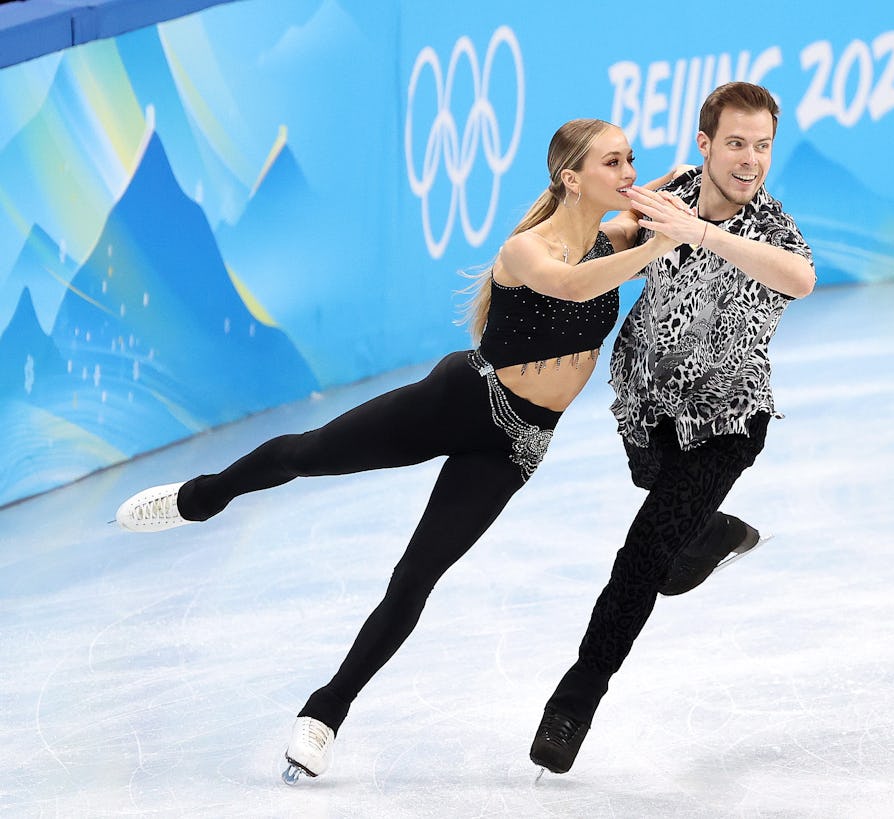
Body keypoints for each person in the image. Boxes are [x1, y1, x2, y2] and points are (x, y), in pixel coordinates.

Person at [113, 118, 694, 784]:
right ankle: (203, 496)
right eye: (613, 161)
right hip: (459, 401)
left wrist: (674, 196)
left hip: (514, 448)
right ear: (570, 177)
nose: (627, 172)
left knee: (416, 577)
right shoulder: (527, 251)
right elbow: (573, 286)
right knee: (308, 451)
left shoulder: (611, 238)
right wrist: (659, 238)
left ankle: (324, 712)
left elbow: (641, 227)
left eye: (631, 161)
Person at [529, 82, 817, 775]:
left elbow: (801, 278)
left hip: (727, 421)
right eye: (737, 143)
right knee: (663, 514)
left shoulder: (771, 226)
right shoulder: (675, 195)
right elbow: (614, 235)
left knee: (643, 553)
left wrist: (705, 235)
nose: (751, 160)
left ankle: (574, 701)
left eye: (763, 146)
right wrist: (619, 231)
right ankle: (712, 532)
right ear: (706, 143)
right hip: (646, 409)